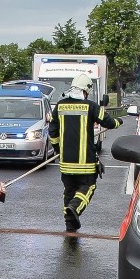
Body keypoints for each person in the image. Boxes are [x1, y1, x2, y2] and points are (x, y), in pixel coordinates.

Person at [46, 72, 120, 232]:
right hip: (85, 162)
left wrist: (59, 150)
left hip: (66, 163)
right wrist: (118, 121)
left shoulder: (59, 106)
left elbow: (52, 133)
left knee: (69, 191)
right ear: (86, 90)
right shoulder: (91, 106)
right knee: (88, 187)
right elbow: (108, 121)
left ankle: (70, 223)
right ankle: (75, 208)